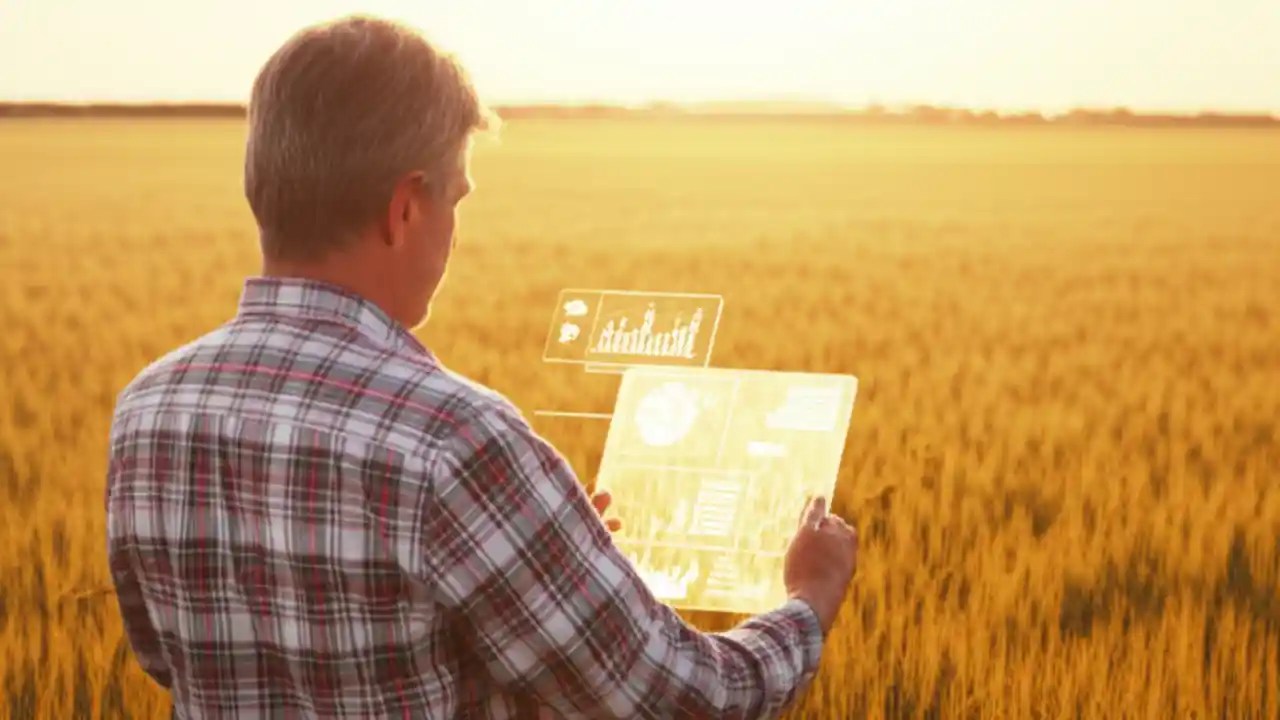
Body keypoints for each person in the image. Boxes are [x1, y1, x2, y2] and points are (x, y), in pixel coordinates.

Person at [104, 14, 859, 720]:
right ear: (406, 209)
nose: (455, 231)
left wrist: (537, 560)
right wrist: (809, 597)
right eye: (454, 200)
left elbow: (168, 659)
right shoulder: (454, 442)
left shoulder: (147, 410)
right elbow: (679, 700)